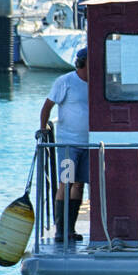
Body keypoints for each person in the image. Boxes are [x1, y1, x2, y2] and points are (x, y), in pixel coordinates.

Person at [38, 48, 89, 243]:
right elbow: (47, 108)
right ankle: (61, 230)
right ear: (83, 62)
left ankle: (71, 229)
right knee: (65, 182)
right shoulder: (65, 82)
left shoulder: (99, 84)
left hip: (89, 144)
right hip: (69, 144)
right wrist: (43, 130)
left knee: (79, 184)